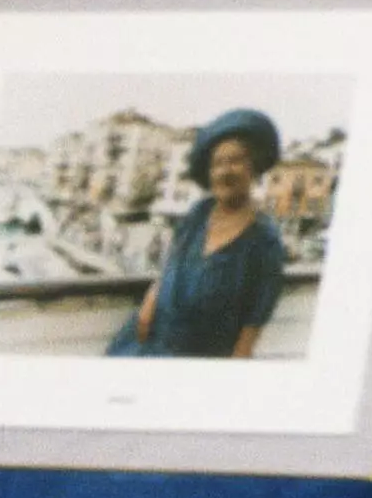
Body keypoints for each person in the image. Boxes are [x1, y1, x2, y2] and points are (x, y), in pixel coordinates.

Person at [105, 108, 290, 359]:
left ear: (254, 168)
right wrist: (150, 300)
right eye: (217, 164)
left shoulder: (265, 242)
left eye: (235, 161)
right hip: (146, 340)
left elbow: (250, 330)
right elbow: (172, 263)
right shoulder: (199, 213)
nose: (224, 171)